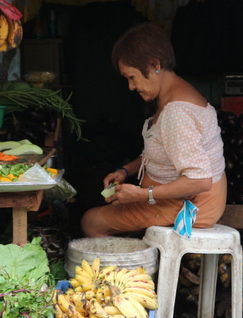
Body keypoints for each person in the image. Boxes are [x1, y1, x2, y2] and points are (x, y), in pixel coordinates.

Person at [81, 22, 227, 238]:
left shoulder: (177, 112)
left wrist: (143, 194)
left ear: (154, 65)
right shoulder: (175, 95)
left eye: (132, 77)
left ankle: (128, 272)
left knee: (92, 222)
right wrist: (126, 171)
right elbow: (164, 151)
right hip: (177, 199)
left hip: (189, 205)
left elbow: (200, 180)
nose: (131, 86)